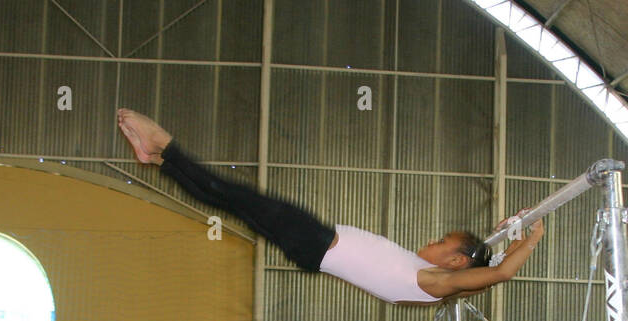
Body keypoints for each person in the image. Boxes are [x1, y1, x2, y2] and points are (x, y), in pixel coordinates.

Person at [116, 109, 544, 303]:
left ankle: (165, 146)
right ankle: (160, 159)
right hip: (314, 247)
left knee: (236, 195)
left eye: (441, 242)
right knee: (231, 201)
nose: (430, 241)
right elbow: (489, 265)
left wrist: (532, 236)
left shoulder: (434, 282)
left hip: (318, 242)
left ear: (455, 261)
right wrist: (508, 235)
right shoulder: (434, 274)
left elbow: (499, 274)